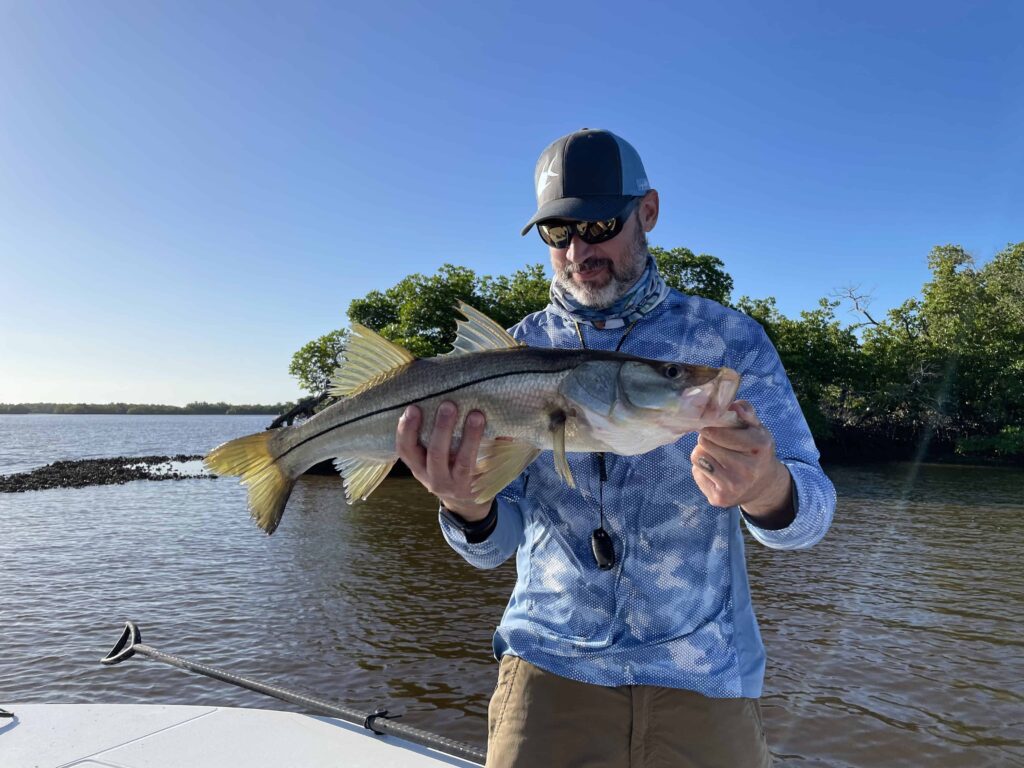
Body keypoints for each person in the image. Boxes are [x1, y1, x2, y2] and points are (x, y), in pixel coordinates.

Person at [395, 128, 835, 768]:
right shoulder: (508, 356)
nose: (579, 250)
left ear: (647, 212)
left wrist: (768, 489)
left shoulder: (726, 342)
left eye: (599, 225)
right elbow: (494, 547)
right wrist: (466, 507)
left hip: (702, 680)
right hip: (548, 671)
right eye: (557, 232)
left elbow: (813, 514)